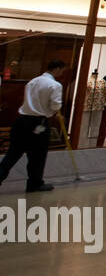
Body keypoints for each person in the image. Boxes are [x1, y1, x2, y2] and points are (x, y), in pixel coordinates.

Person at [0, 59, 67, 192]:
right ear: (58, 69)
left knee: (12, 154)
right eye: (62, 71)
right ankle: (34, 183)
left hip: (21, 121)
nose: (62, 73)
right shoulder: (55, 85)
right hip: (38, 122)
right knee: (37, 156)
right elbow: (55, 105)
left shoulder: (32, 81)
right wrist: (55, 112)